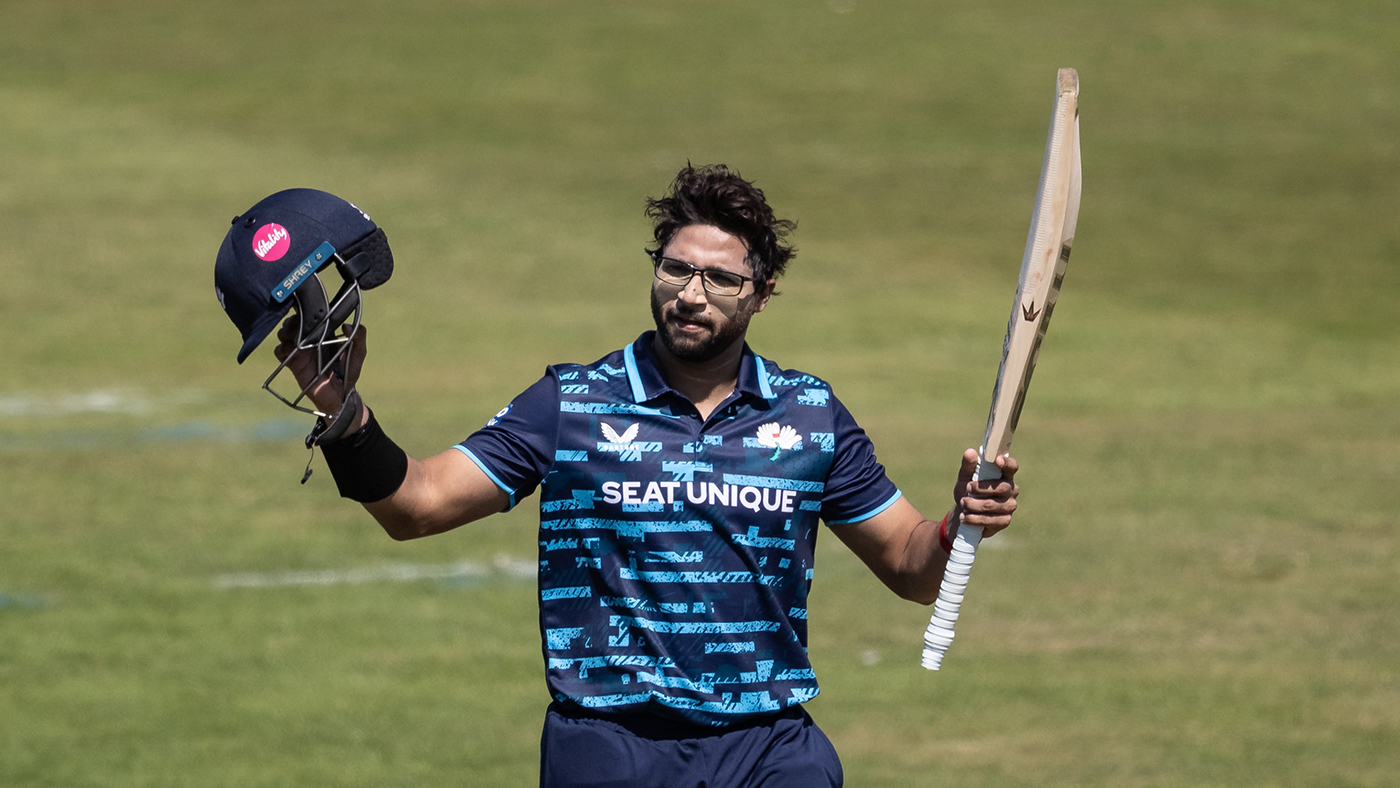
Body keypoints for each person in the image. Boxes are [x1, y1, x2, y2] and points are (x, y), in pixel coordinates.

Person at [273, 164, 1019, 788]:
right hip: (610, 746)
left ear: (761, 295)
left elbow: (912, 565)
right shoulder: (571, 403)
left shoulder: (811, 415)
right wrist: (343, 412)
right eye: (676, 269)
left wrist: (961, 521)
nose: (690, 294)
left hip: (767, 747)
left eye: (721, 280)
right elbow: (417, 505)